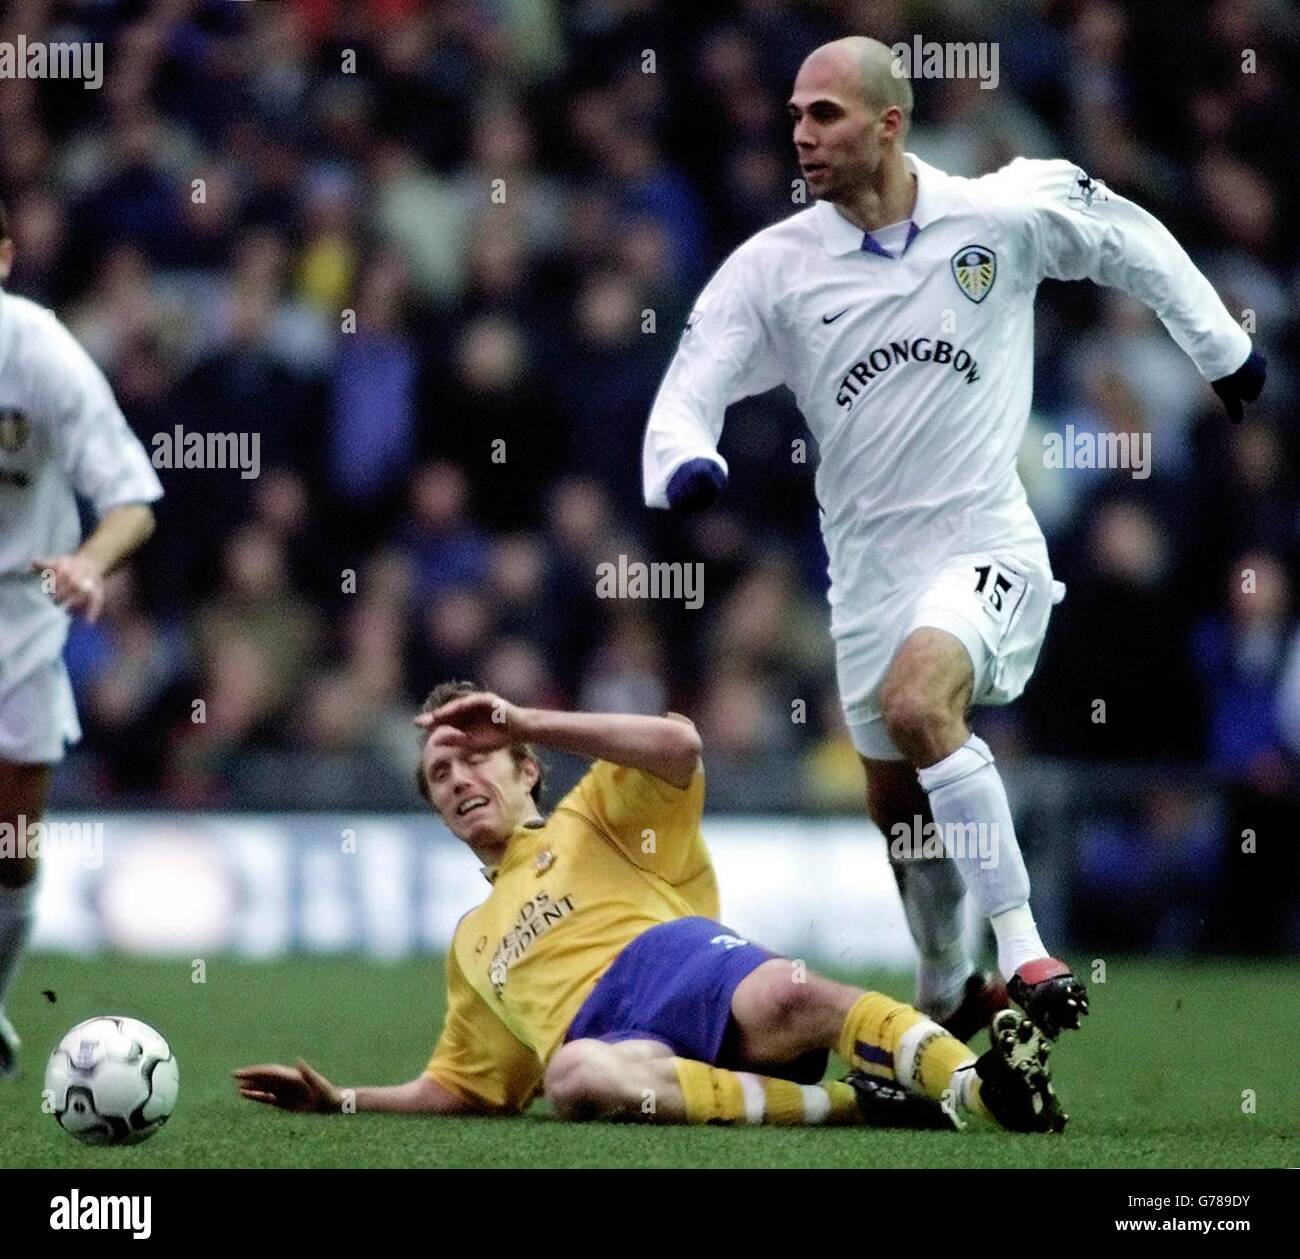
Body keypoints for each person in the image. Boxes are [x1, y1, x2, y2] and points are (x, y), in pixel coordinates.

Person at [641, 37, 1266, 1038]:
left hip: (986, 541)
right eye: (795, 113)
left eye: (825, 114)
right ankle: (944, 979)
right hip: (866, 575)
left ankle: (1024, 950)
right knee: (898, 803)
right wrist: (682, 458)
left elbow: (1128, 239)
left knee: (919, 700)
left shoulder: (997, 215)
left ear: (889, 124)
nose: (799, 132)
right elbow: (693, 380)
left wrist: (1223, 351)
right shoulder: (775, 267)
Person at [234, 683, 1065, 1132]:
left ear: (527, 769)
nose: (457, 780)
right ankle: (861, 1105)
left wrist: (529, 717)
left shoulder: (592, 812)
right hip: (620, 1049)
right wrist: (341, 1097)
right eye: (440, 777)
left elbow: (681, 744)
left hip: (682, 965)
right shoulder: (470, 945)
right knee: (572, 1077)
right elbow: (463, 1088)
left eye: (475, 756)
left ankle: (976, 1087)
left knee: (793, 994)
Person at [0, 200, 163, 1077]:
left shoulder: (43, 354)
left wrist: (92, 562)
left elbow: (132, 499)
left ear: (4, 257)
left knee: (10, 833)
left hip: (22, 606)